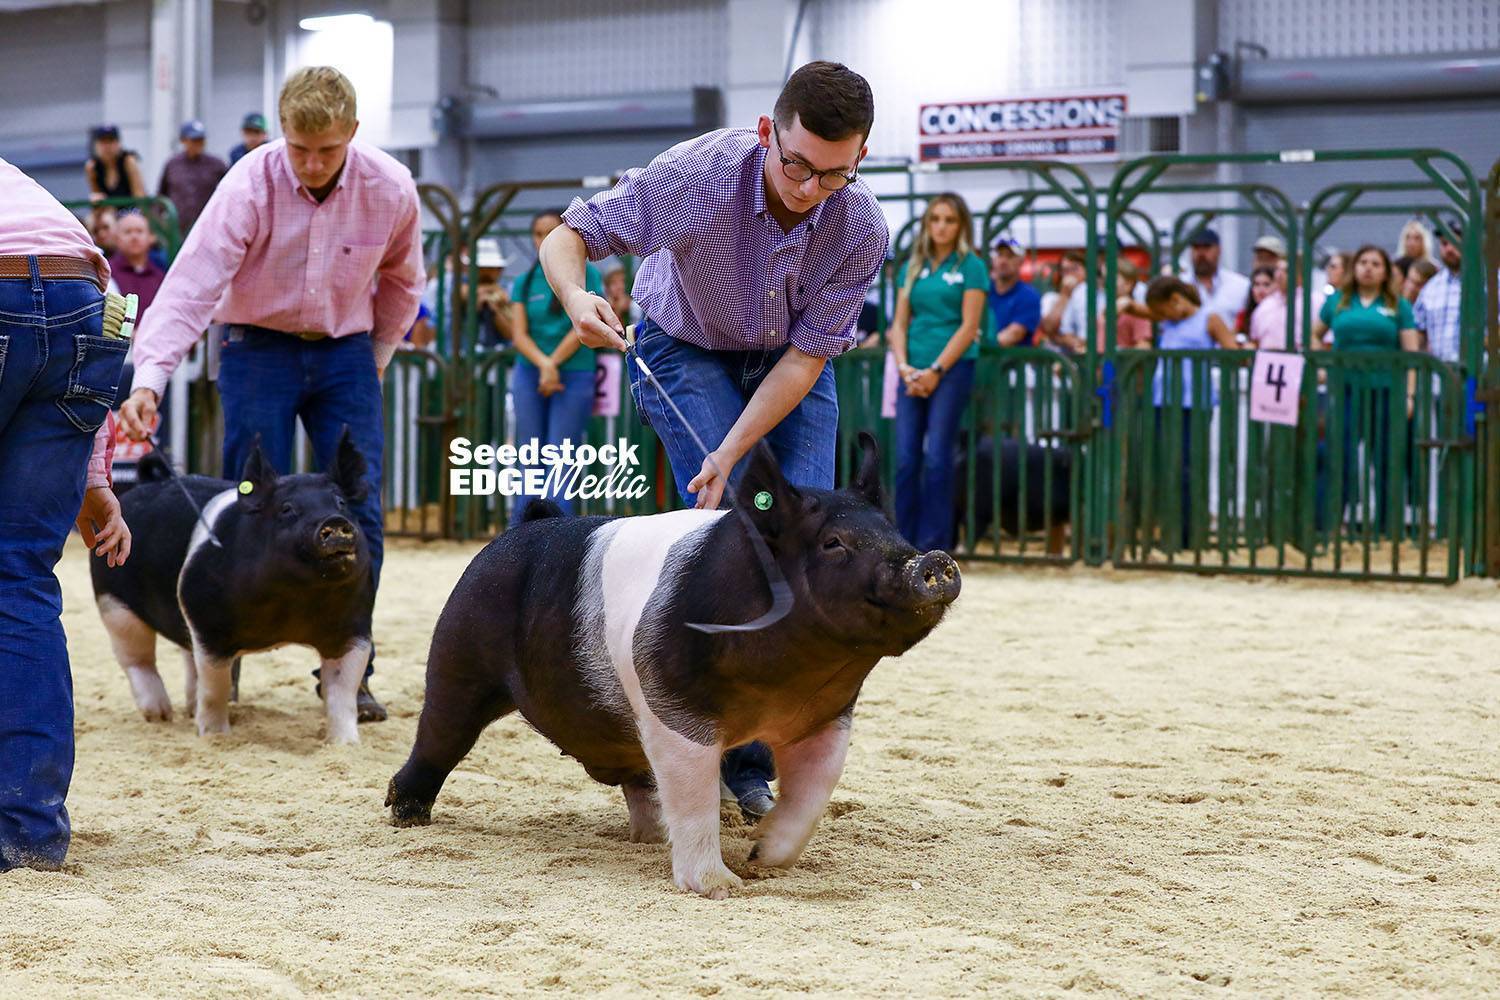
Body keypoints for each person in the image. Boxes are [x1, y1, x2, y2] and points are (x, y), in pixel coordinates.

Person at [538, 60, 886, 823]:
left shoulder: (862, 225)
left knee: (807, 541)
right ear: (770, 131)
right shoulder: (695, 175)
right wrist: (575, 295)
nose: (808, 189)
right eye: (797, 165)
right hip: (683, 347)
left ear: (859, 156)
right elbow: (570, 237)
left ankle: (795, 735)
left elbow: (805, 361)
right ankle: (735, 759)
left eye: (835, 174)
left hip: (790, 366)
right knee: (750, 531)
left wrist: (734, 447)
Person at [118, 66, 425, 722]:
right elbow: (194, 282)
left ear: (354, 135)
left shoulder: (391, 187)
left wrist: (374, 360)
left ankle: (349, 668)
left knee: (360, 504)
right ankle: (226, 654)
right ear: (281, 130)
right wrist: (149, 377)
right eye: (298, 148)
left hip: (347, 349)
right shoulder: (248, 183)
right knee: (250, 501)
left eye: (328, 151)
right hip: (255, 346)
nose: (312, 164)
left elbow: (404, 281)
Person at [1, 156, 132, 872]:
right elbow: (88, 294)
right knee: (18, 576)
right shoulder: (26, 186)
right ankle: (28, 833)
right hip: (84, 296)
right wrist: (94, 476)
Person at [884, 193, 985, 552]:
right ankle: (901, 542)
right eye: (935, 219)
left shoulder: (972, 266)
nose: (941, 226)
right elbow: (897, 324)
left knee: (938, 457)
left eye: (949, 220)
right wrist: (905, 367)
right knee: (906, 458)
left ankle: (935, 543)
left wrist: (936, 370)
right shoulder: (914, 265)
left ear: (961, 226)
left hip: (952, 369)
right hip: (911, 371)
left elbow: (969, 326)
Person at [1121, 277, 1238, 548]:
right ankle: (1169, 531)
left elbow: (1232, 351)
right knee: (1165, 468)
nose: (1159, 318)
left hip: (1194, 404)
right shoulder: (1169, 318)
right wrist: (1124, 303)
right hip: (1163, 401)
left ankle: (1190, 534)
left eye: (1163, 311)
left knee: (1189, 469)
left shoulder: (1210, 319)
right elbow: (1141, 310)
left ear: (1176, 300)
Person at [1311, 245, 1419, 534]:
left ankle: (1388, 530)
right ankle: (1329, 526)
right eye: (1362, 262)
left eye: (1375, 263)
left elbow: (1412, 354)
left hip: (1386, 391)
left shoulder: (1399, 305)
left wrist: (1410, 394)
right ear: (1353, 268)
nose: (1368, 268)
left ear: (1385, 271)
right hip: (1346, 389)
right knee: (1339, 457)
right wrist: (1321, 365)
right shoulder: (1337, 302)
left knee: (1386, 460)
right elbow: (1313, 333)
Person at [507, 209, 606, 524]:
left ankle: (557, 532)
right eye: (537, 233)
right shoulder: (523, 282)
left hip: (574, 370)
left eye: (550, 233)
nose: (542, 240)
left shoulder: (589, 275)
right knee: (529, 453)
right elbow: (518, 334)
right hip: (530, 370)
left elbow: (586, 324)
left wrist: (552, 364)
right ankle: (521, 532)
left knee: (562, 453)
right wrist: (544, 364)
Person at [157, 120, 228, 234]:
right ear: (183, 140)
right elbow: (161, 195)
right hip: (178, 229)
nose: (198, 144)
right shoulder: (173, 164)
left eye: (201, 140)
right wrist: (159, 225)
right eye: (194, 140)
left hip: (208, 227)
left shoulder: (217, 165)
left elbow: (228, 193)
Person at [1413, 224, 1464, 365]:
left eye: (1455, 243)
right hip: (1440, 378)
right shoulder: (1430, 288)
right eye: (1444, 243)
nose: (1449, 249)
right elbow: (1418, 332)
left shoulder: (1493, 283)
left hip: (1483, 378)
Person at [1184, 227, 1249, 329]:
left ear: (1218, 250)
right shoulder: (1179, 284)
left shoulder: (1241, 285)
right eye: (1196, 247)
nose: (1201, 253)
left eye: (1206, 247)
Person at [987, 233, 1041, 348]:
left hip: (1014, 363)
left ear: (1021, 261)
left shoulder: (1029, 296)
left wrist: (981, 346)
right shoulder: (983, 290)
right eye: (1000, 255)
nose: (1003, 261)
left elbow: (1014, 334)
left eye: (1010, 256)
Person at [1039, 250, 1088, 353]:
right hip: (1058, 358)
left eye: (1075, 269)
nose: (1070, 274)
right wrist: (1065, 294)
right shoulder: (1050, 298)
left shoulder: (1096, 295)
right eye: (1065, 270)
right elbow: (1048, 328)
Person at [84, 124, 145, 205]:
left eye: (111, 141)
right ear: (96, 145)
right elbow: (97, 196)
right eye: (103, 142)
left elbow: (140, 197)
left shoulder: (128, 161)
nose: (108, 146)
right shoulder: (92, 167)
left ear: (118, 143)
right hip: (108, 212)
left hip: (131, 210)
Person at [1238, 265, 1276, 338]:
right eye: (1256, 284)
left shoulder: (1281, 313)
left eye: (1266, 284)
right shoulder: (1243, 315)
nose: (1261, 290)